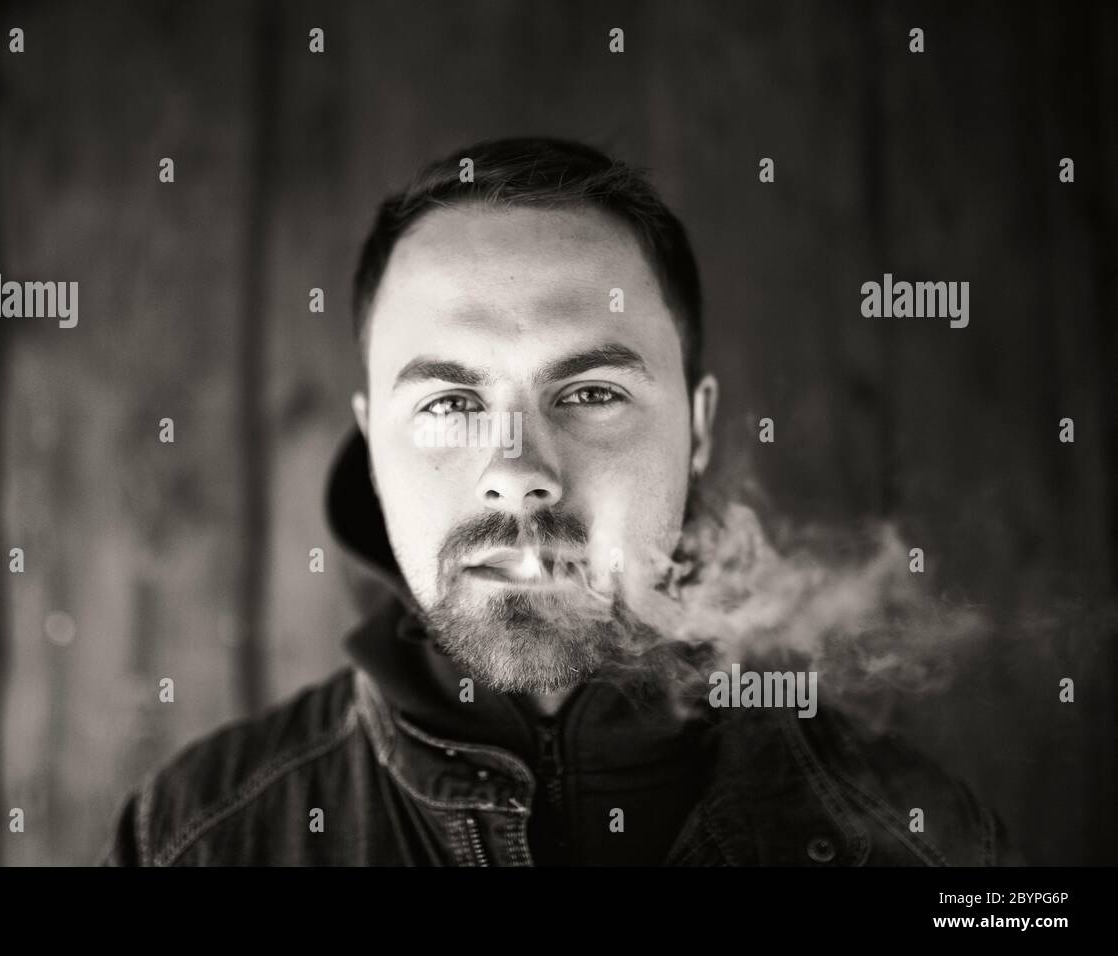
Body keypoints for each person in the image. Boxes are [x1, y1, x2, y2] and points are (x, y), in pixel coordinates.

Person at [102, 137, 1019, 866]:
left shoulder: (923, 847)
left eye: (589, 394)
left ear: (697, 429)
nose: (518, 471)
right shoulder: (196, 840)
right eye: (451, 404)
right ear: (373, 442)